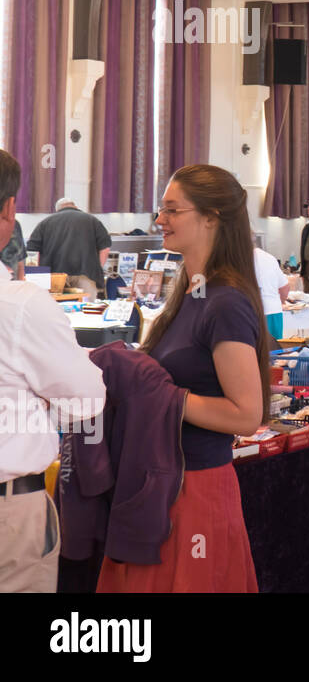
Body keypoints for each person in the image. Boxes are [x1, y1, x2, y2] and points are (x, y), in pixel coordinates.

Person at [98, 164, 269, 592]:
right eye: (161, 210)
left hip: (195, 491)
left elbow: (247, 415)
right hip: (162, 484)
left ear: (211, 217)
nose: (160, 220)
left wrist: (161, 395)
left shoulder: (225, 304)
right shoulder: (192, 292)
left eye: (172, 210)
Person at [0, 149, 105, 592]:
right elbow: (86, 401)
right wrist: (40, 399)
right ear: (9, 211)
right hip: (9, 514)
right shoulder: (21, 306)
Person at [27, 197, 111, 295]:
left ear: (57, 209)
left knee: (56, 304)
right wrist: (97, 269)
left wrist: (38, 280)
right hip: (86, 275)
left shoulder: (45, 223)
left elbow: (32, 251)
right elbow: (105, 248)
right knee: (86, 303)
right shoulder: (93, 220)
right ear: (75, 206)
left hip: (54, 277)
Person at [252, 246, 290, 340]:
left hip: (251, 312)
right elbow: (285, 287)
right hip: (273, 310)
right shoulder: (268, 257)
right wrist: (280, 301)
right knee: (274, 347)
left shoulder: (236, 258)